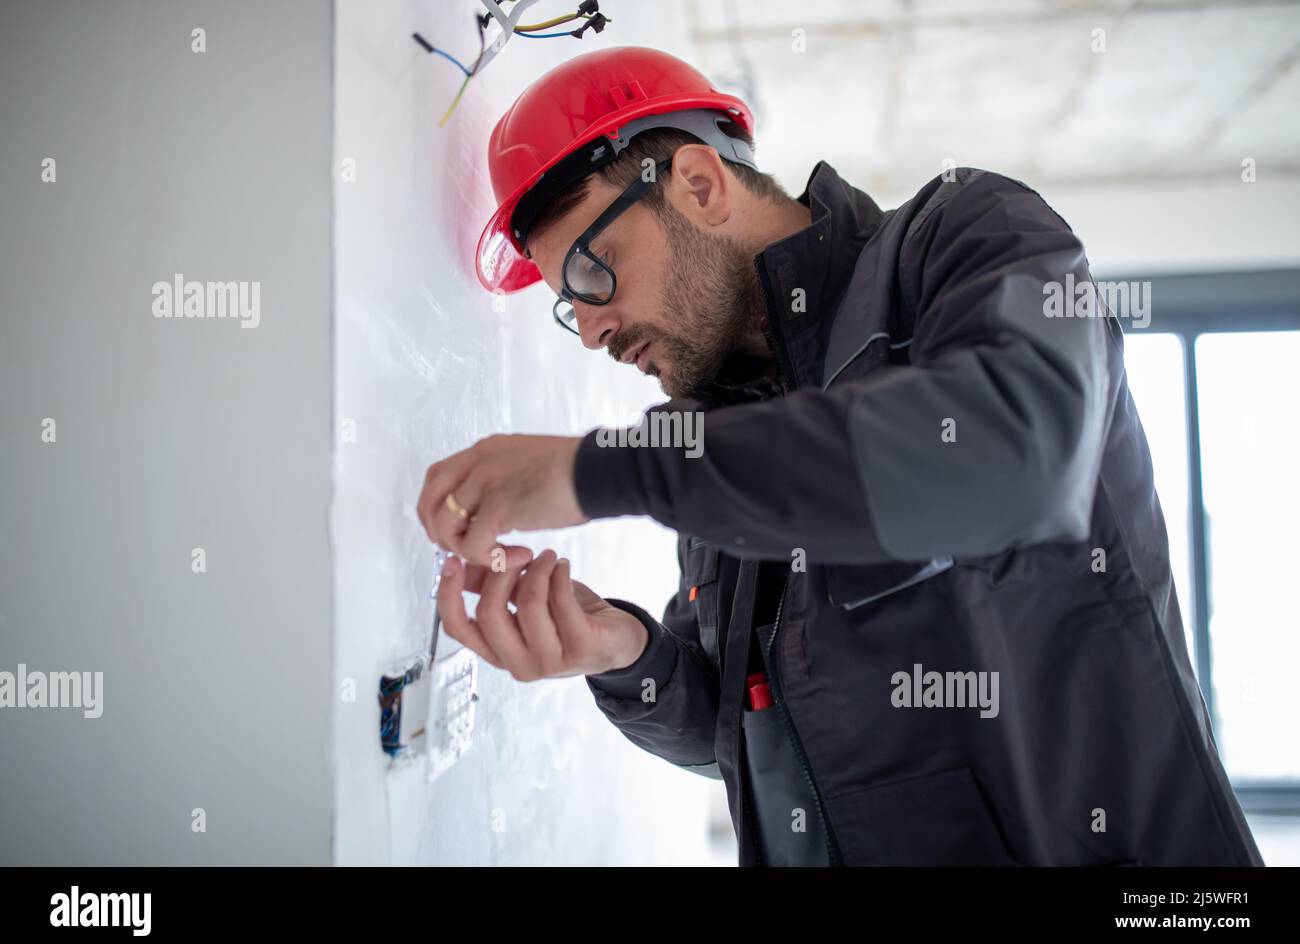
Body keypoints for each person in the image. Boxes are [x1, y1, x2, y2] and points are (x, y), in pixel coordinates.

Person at [416, 46, 1263, 867]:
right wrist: (621, 652)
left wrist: (596, 471)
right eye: (571, 307)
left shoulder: (964, 237)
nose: (593, 330)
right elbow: (738, 730)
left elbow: (1016, 452)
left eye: (592, 273)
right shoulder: (719, 425)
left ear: (699, 186)